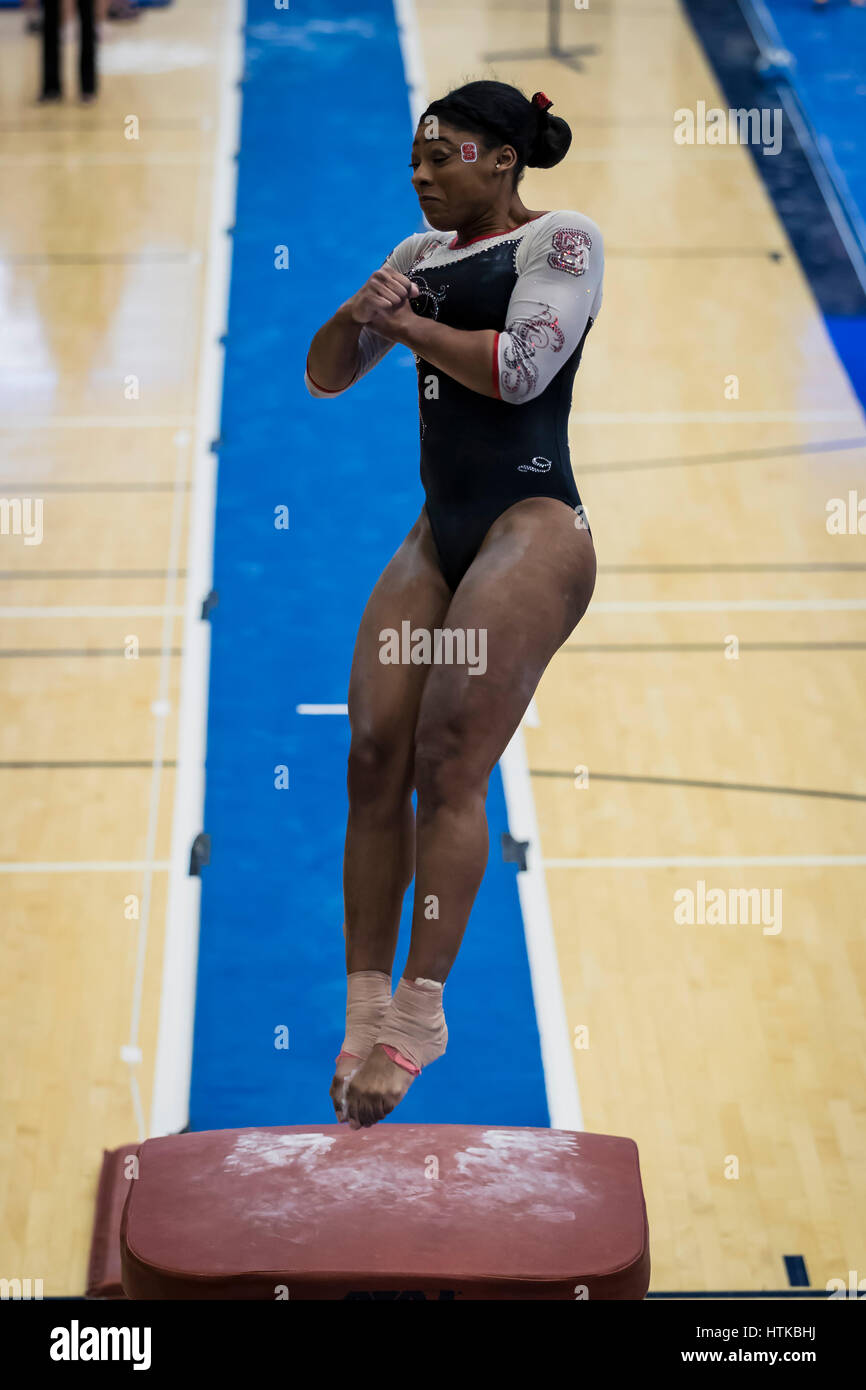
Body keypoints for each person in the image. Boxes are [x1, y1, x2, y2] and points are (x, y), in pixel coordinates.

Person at [305, 81, 603, 1130]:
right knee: (373, 752)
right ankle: (362, 1002)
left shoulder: (561, 243)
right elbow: (326, 376)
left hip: (532, 527)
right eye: (416, 161)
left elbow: (520, 371)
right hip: (441, 533)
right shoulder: (416, 256)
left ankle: (418, 1013)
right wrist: (362, 312)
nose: (423, 176)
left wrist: (411, 325)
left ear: (502, 160)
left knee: (445, 760)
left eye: (444, 158)